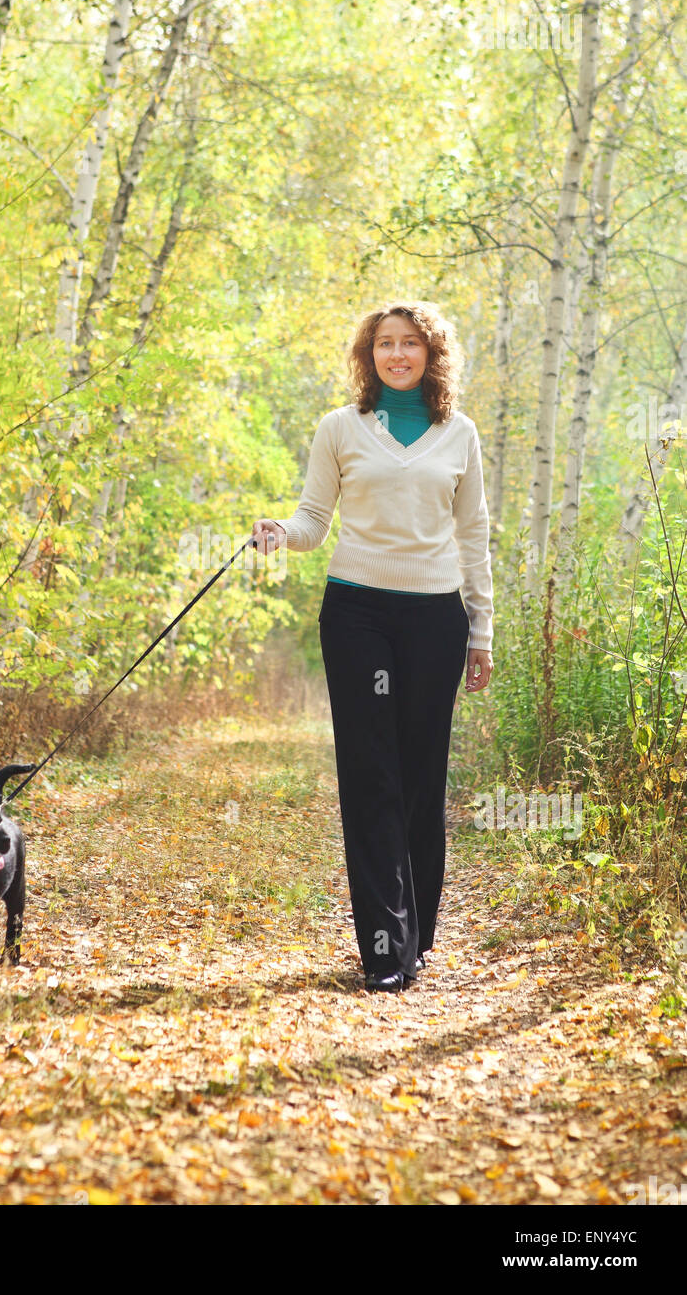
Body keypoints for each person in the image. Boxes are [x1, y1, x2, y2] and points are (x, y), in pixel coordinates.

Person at [252, 301, 494, 993]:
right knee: (370, 776)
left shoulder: (460, 433)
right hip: (357, 613)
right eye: (385, 343)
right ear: (370, 355)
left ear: (431, 354)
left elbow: (474, 534)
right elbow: (313, 518)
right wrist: (281, 533)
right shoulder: (340, 427)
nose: (397, 354)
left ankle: (417, 935)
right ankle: (385, 949)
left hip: (435, 618)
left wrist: (481, 631)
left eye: (410, 343)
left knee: (421, 776)